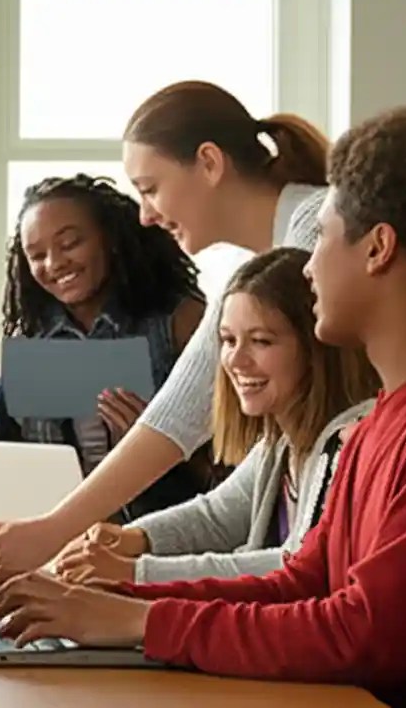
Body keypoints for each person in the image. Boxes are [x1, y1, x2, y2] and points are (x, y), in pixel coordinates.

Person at [0, 108, 406, 706]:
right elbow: (305, 581)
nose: (304, 265)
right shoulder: (382, 416)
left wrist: (136, 622)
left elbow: (362, 633)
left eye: (322, 238)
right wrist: (110, 608)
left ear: (378, 248)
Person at [54, 247, 377, 585]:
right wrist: (130, 540)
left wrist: (137, 572)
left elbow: (298, 566)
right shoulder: (279, 443)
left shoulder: (345, 441)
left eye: (261, 341)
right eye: (228, 340)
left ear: (317, 350)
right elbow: (216, 518)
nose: (236, 361)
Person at [0, 173, 211, 521]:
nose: (54, 264)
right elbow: (4, 464)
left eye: (70, 243)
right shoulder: (29, 342)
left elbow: (234, 468)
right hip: (52, 541)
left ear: (109, 238)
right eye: (36, 255)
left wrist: (157, 443)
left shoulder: (180, 322)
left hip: (159, 538)